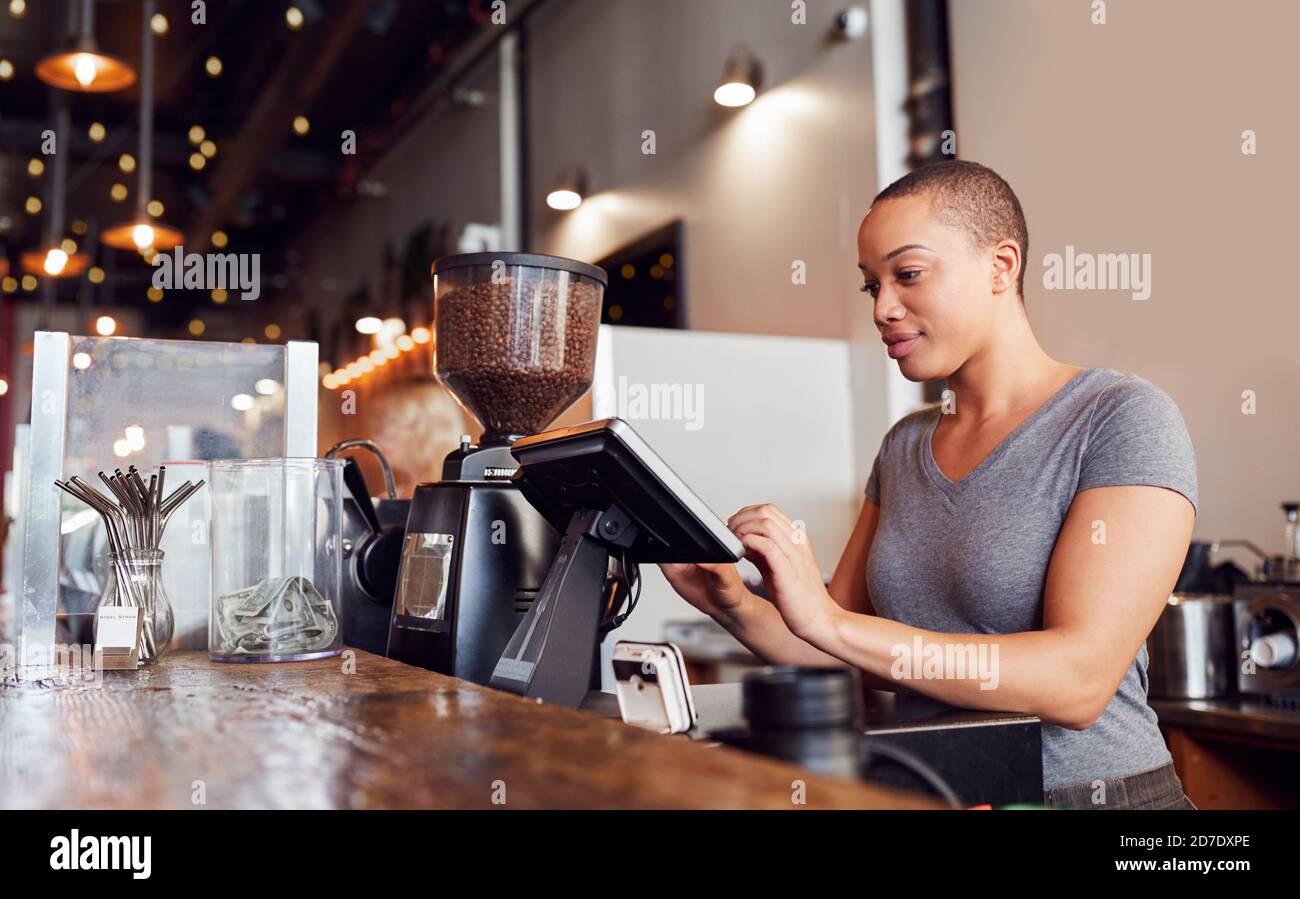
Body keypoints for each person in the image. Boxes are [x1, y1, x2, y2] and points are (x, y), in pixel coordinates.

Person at [662, 160, 1197, 810]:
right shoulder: (904, 444)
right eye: (872, 286)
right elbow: (835, 646)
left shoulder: (1120, 417)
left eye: (908, 274)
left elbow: (1077, 682)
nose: (885, 308)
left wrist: (828, 619)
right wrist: (734, 603)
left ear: (1002, 266)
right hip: (934, 791)